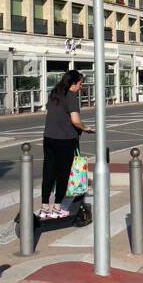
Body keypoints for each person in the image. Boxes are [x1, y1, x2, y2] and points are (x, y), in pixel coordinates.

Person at [40, 70, 93, 220]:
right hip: (65, 140)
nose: (80, 87)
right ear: (73, 83)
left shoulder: (54, 93)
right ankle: (57, 207)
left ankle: (44, 207)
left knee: (49, 172)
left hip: (49, 138)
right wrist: (86, 128)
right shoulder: (71, 97)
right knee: (62, 174)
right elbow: (75, 120)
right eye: (80, 84)